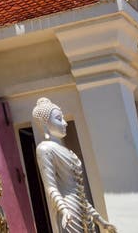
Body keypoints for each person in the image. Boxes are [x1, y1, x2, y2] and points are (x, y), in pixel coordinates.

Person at [32, 97, 116, 233]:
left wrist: (100, 220)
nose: (65, 123)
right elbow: (51, 186)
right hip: (68, 208)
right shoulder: (45, 149)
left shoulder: (66, 151)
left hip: (81, 207)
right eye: (59, 119)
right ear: (44, 124)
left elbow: (78, 193)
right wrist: (63, 209)